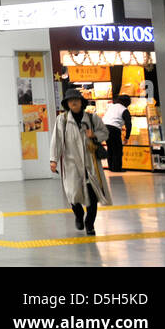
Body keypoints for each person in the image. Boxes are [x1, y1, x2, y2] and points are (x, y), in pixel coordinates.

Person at [50, 86, 113, 235]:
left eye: (76, 100)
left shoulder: (92, 118)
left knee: (92, 196)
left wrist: (94, 135)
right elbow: (56, 140)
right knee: (73, 194)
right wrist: (53, 160)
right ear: (67, 104)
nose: (73, 103)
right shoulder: (63, 120)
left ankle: (89, 224)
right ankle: (78, 214)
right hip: (71, 163)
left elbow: (105, 133)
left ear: (81, 102)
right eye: (70, 101)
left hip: (90, 163)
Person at [101, 95, 132, 173]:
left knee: (110, 148)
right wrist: (127, 137)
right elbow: (129, 125)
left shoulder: (112, 106)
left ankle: (111, 166)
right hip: (114, 128)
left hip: (104, 127)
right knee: (117, 149)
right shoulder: (124, 110)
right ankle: (117, 168)